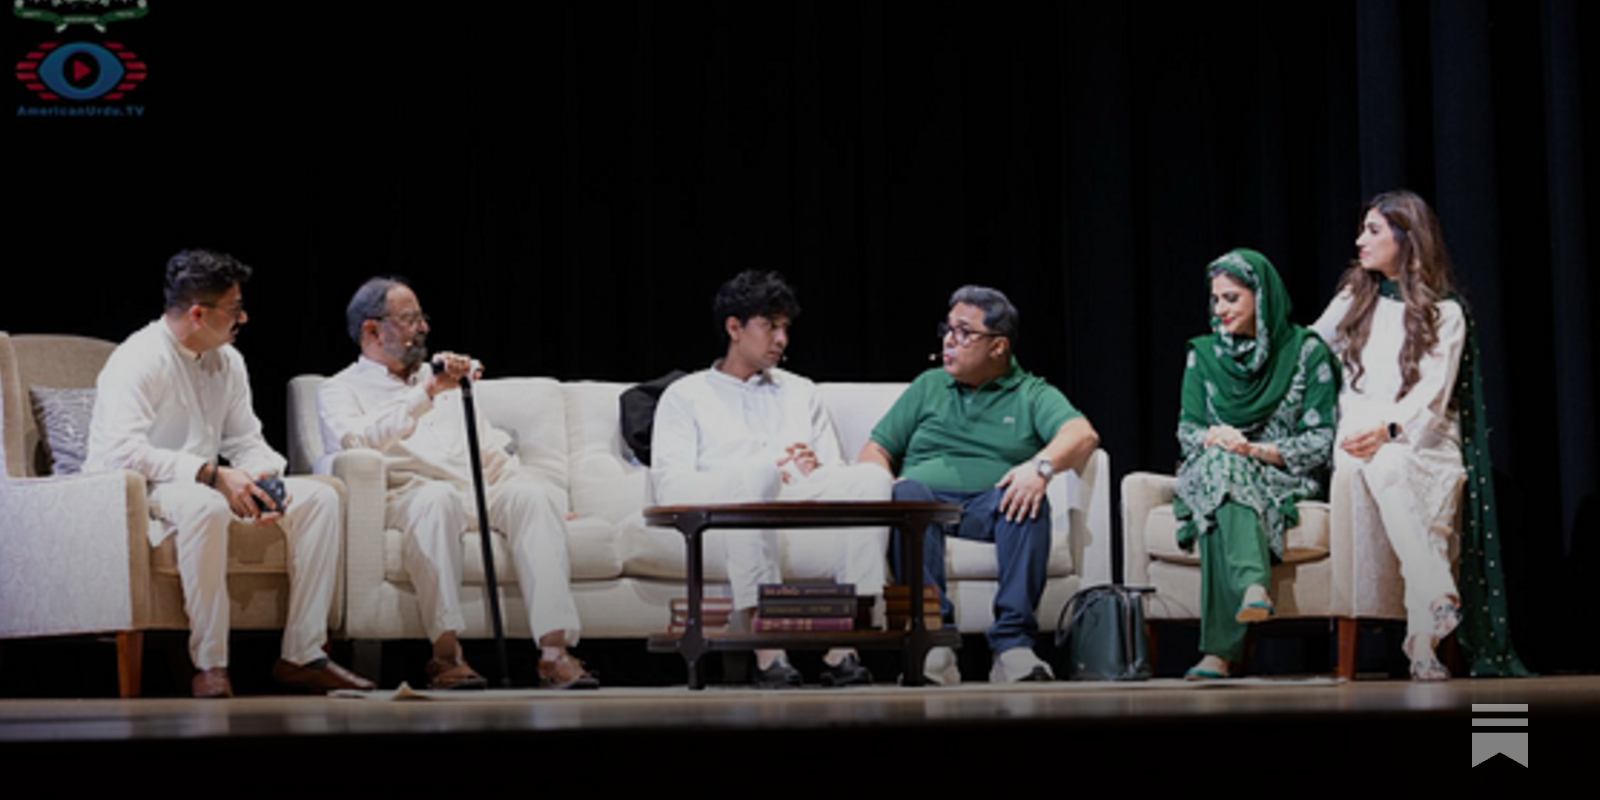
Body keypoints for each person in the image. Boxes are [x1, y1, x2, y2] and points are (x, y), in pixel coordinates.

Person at [85, 249, 375, 698]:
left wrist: (264, 480)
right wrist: (212, 474)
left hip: (203, 481)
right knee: (205, 507)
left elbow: (245, 440)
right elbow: (121, 451)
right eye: (234, 309)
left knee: (322, 497)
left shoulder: (227, 360)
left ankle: (303, 653)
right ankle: (210, 664)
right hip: (141, 487)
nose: (243, 317)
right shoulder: (138, 358)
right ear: (198, 313)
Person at [317, 277, 596, 690]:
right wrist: (426, 393)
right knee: (438, 498)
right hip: (410, 494)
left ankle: (554, 655)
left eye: (421, 318)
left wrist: (542, 501)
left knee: (533, 496)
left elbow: (489, 453)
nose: (423, 328)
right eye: (410, 319)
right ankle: (446, 655)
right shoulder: (340, 389)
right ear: (371, 330)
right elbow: (355, 442)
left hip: (475, 490)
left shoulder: (444, 381)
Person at [1311, 190, 1529, 680]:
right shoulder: (1352, 301)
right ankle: (1432, 603)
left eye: (1373, 230)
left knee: (1394, 465)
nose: (1359, 240)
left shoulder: (1445, 313)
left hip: (1422, 440)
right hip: (1356, 440)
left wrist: (1389, 429)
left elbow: (1433, 394)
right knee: (1382, 463)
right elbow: (1307, 350)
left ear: (1407, 238)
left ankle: (1423, 642)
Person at [650, 270, 890, 688]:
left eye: (785, 328)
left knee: (870, 479)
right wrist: (750, 473)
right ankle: (768, 649)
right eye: (770, 326)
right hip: (726, 508)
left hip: (795, 499)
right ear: (734, 328)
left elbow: (835, 475)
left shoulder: (801, 391)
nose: (781, 339)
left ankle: (845, 644)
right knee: (755, 474)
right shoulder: (687, 395)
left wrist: (816, 467)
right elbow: (672, 485)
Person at [858, 286, 1099, 684]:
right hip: (926, 505)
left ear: (998, 346)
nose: (949, 340)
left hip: (992, 506)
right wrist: (885, 484)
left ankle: (1013, 647)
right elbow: (875, 450)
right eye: (947, 329)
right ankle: (935, 643)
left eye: (964, 332)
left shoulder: (1030, 392)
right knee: (907, 496)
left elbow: (1083, 434)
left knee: (1027, 497)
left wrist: (1038, 468)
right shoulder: (929, 385)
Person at [1172, 248, 1338, 679]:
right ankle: (1252, 584)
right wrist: (1215, 437)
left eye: (1232, 298)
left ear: (1262, 298)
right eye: (1216, 299)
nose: (1220, 310)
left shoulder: (1306, 352)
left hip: (1282, 475)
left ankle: (1218, 653)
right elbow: (1187, 431)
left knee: (1218, 496)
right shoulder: (1203, 355)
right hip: (1214, 465)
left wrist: (1254, 450)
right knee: (1220, 467)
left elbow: (1321, 440)